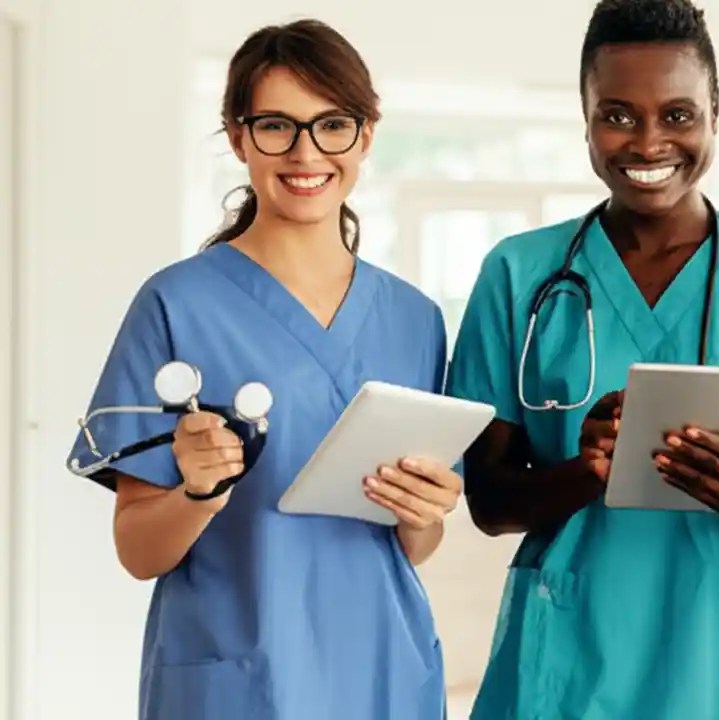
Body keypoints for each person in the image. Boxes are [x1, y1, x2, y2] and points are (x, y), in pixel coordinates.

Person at [445, 0, 719, 717]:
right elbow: (487, 503)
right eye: (617, 114)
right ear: (584, 116)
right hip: (568, 660)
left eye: (677, 115)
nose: (646, 142)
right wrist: (584, 473)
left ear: (714, 113)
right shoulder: (519, 274)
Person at [65, 19, 459, 720]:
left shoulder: (414, 317)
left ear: (365, 136)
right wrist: (196, 492)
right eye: (277, 126)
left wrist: (425, 515)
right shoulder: (177, 303)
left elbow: (412, 546)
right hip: (236, 676)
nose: (305, 152)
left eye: (331, 124)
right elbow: (137, 551)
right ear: (239, 136)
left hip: (382, 669)